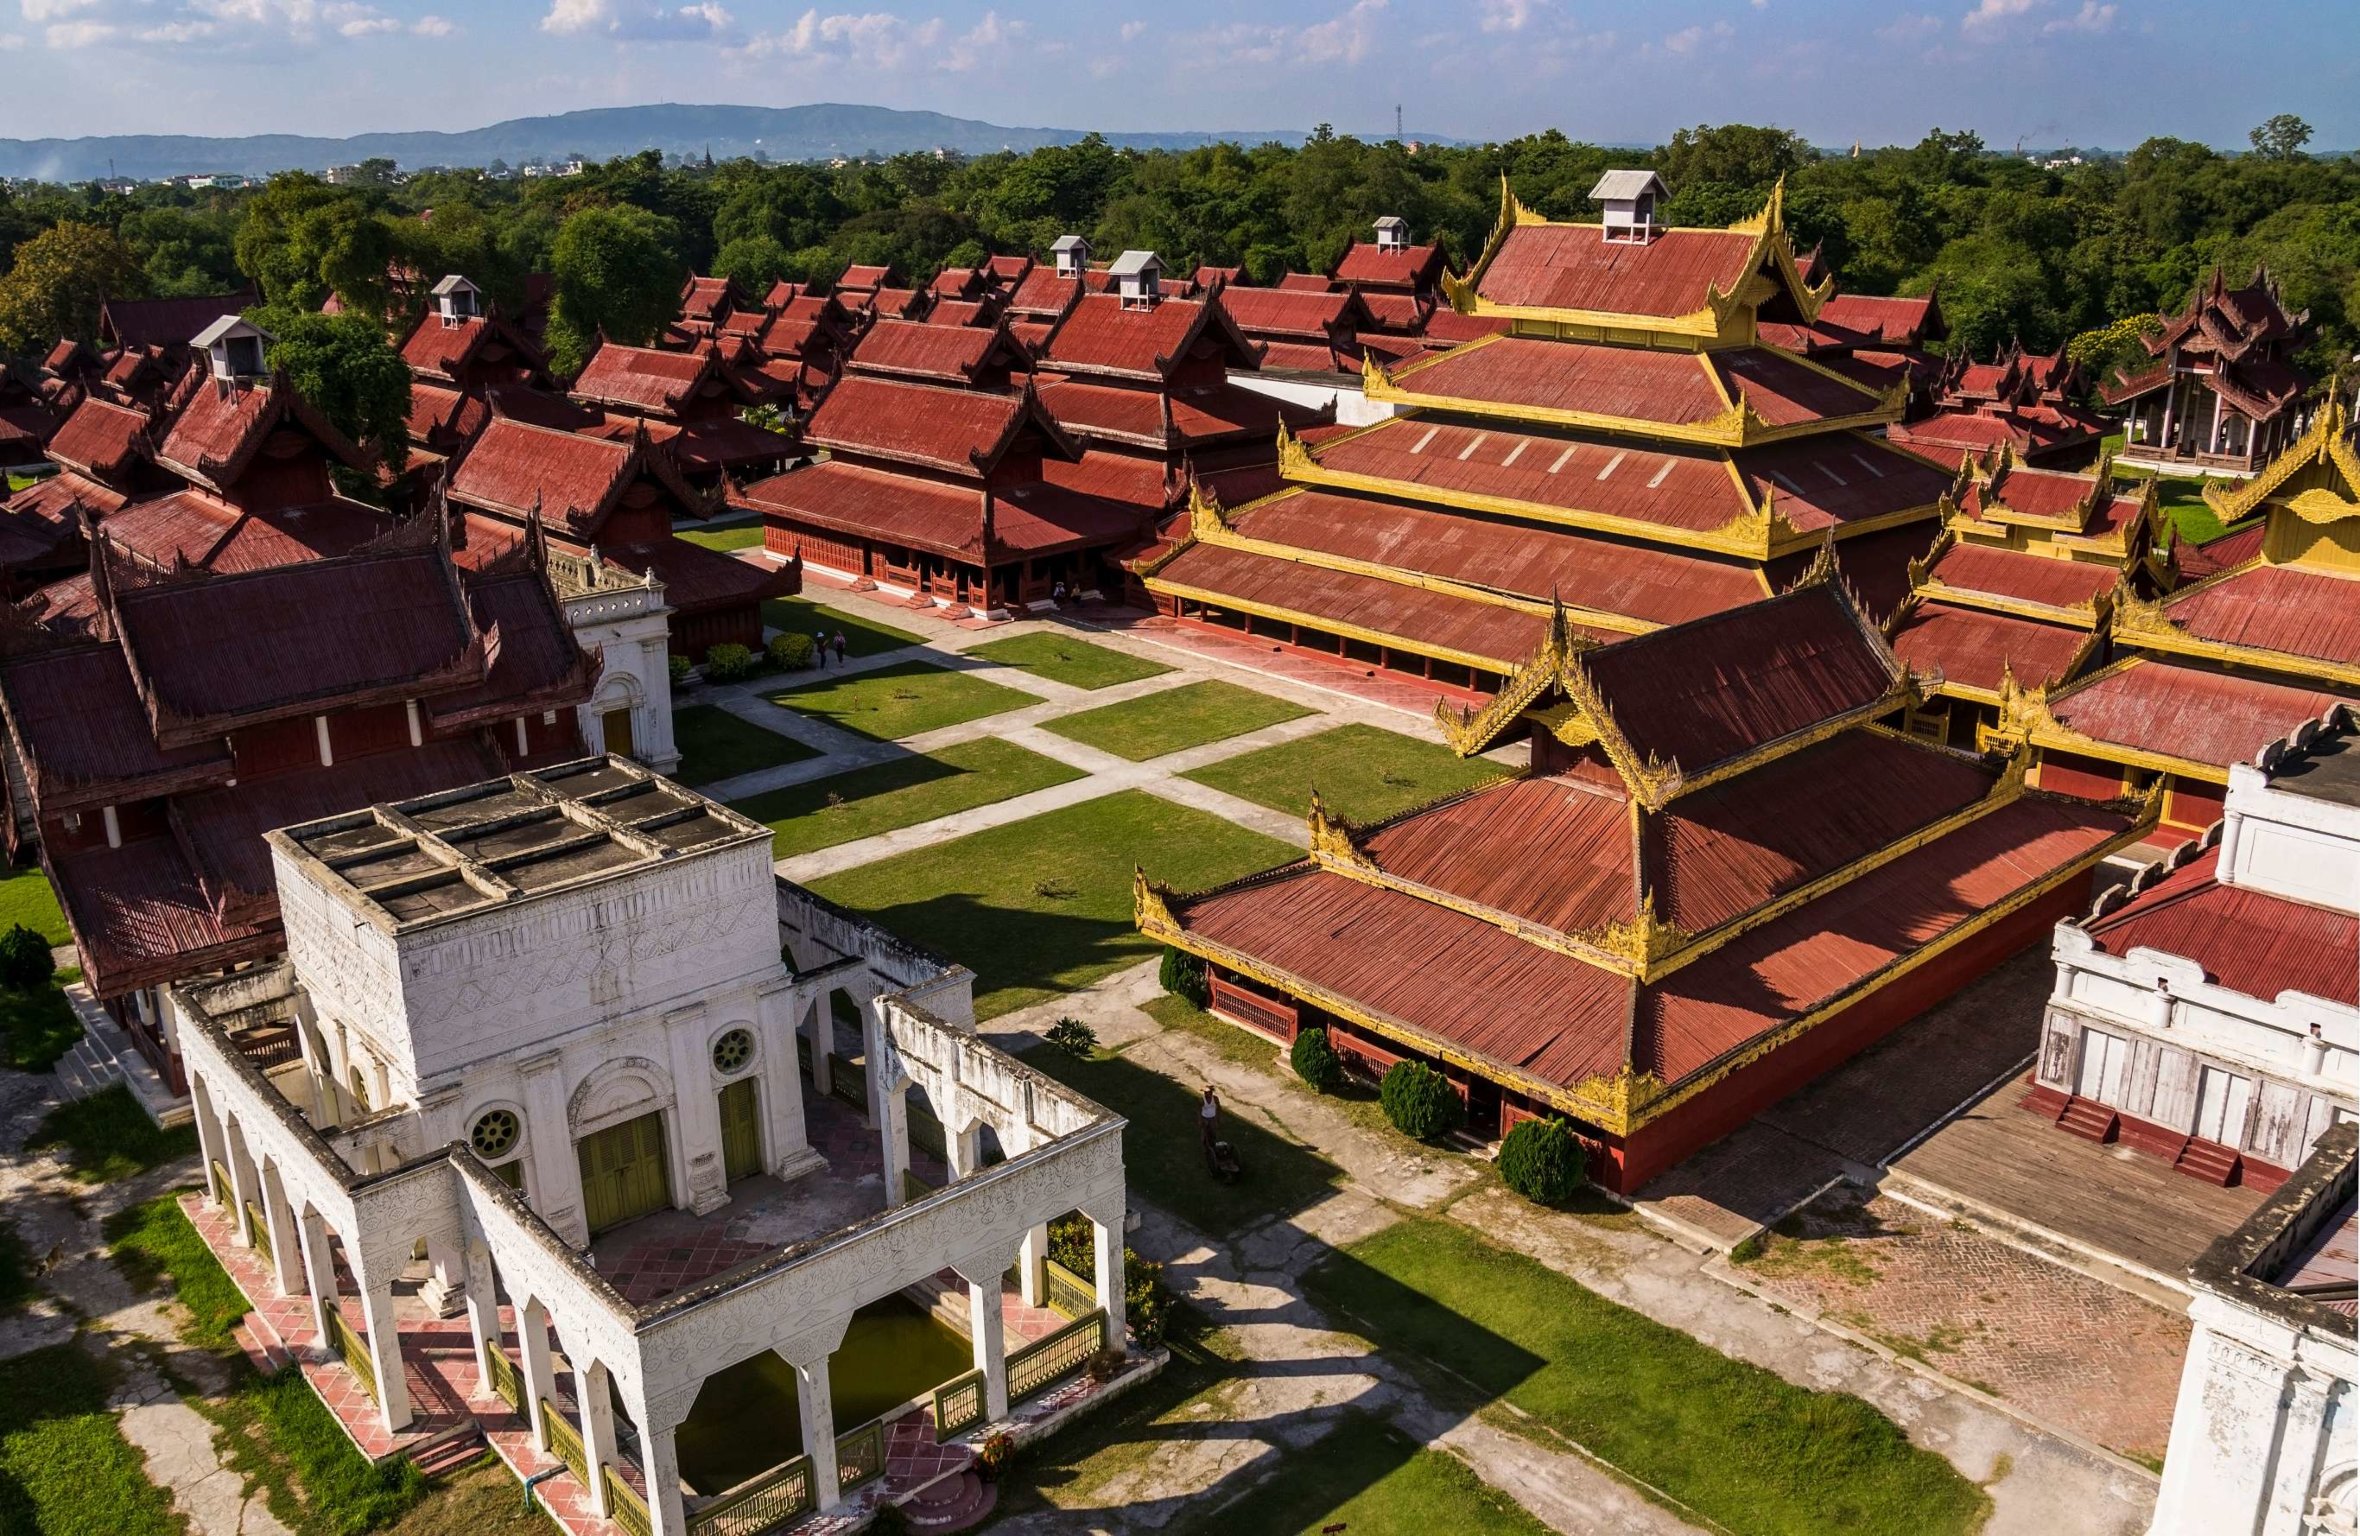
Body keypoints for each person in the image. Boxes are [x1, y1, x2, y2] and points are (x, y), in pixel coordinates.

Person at [1198, 1085, 1220, 1157]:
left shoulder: (1215, 1099)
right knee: (1204, 1133)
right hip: (1205, 1117)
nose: (1206, 1094)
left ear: (1211, 1092)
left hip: (1212, 1118)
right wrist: (1200, 1120)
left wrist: (1217, 1118)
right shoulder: (1202, 1100)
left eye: (1208, 1092)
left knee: (1213, 1132)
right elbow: (1199, 1110)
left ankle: (1213, 1145)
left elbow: (1218, 1108)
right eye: (1205, 1092)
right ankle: (1204, 1148)